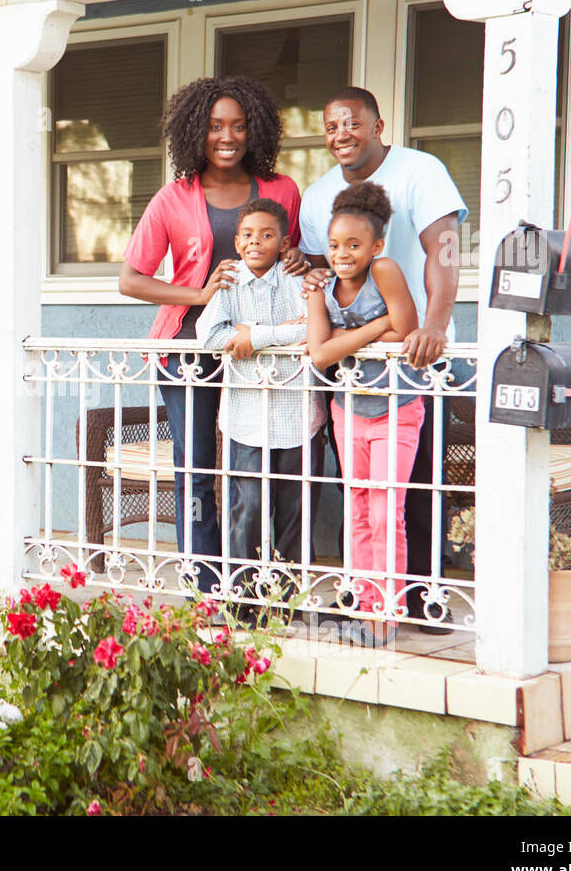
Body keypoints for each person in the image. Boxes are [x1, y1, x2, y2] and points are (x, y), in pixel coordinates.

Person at [119, 77, 304, 591]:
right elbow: (130, 279)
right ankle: (205, 579)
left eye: (239, 126)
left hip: (265, 352)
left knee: (269, 466)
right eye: (215, 126)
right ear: (194, 131)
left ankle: (268, 577)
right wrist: (198, 296)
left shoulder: (282, 189)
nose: (227, 136)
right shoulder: (173, 197)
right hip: (189, 349)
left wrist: (296, 256)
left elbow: (305, 264)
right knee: (197, 466)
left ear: (255, 131)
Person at [297, 86, 467, 631]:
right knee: (362, 493)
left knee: (414, 490)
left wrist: (432, 329)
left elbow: (444, 250)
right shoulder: (319, 194)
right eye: (331, 126)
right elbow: (324, 270)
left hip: (416, 359)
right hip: (352, 371)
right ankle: (365, 597)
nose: (341, 134)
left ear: (377, 125)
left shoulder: (421, 170)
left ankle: (420, 603)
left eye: (352, 123)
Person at [305, 183, 424, 647]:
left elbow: (408, 329)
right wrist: (378, 329)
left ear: (375, 246)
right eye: (334, 245)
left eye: (354, 245)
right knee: (356, 508)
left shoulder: (386, 270)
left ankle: (385, 615)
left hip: (396, 406)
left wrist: (350, 333)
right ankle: (361, 604)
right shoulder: (320, 287)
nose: (342, 254)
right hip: (348, 408)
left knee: (384, 510)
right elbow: (319, 354)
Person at [196, 199, 324, 621]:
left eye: (266, 235)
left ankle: (287, 603)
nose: (256, 242)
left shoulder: (297, 280)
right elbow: (209, 336)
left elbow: (315, 329)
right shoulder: (229, 284)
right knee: (246, 510)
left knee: (294, 511)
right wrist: (274, 334)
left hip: (298, 417)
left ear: (284, 242)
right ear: (236, 242)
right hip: (246, 419)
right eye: (248, 235)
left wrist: (253, 336)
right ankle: (244, 602)